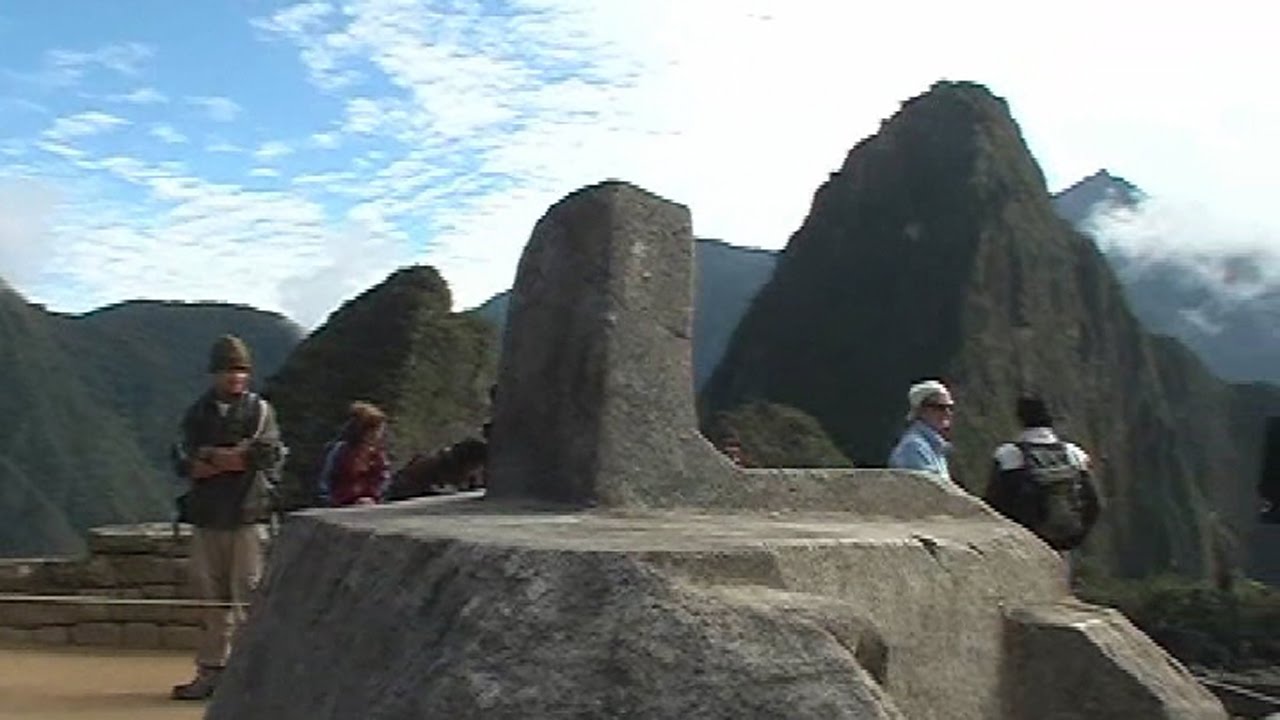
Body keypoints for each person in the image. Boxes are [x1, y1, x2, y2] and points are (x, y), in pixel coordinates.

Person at [170, 335, 284, 701]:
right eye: (228, 370)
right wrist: (227, 458)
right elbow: (183, 461)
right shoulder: (197, 414)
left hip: (248, 515)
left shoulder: (259, 412)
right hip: (207, 517)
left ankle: (252, 677)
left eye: (240, 370)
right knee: (210, 599)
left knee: (249, 595)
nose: (235, 377)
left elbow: (263, 455)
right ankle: (211, 671)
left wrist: (210, 457)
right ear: (214, 374)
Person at [984, 395, 1100, 582]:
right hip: (1062, 541)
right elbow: (1095, 504)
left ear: (1021, 420)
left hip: (1021, 546)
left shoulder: (1008, 455)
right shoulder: (1074, 454)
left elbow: (991, 505)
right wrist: (1072, 538)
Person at [318, 402, 391, 507]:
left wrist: (372, 498)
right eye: (375, 431)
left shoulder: (378, 455)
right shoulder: (339, 451)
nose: (378, 435)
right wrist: (334, 502)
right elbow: (325, 481)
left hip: (370, 507)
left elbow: (383, 481)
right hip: (340, 506)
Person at [888, 380, 956, 485]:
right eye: (940, 407)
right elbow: (925, 490)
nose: (947, 413)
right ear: (921, 410)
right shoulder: (913, 447)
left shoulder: (936, 449)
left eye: (950, 407)